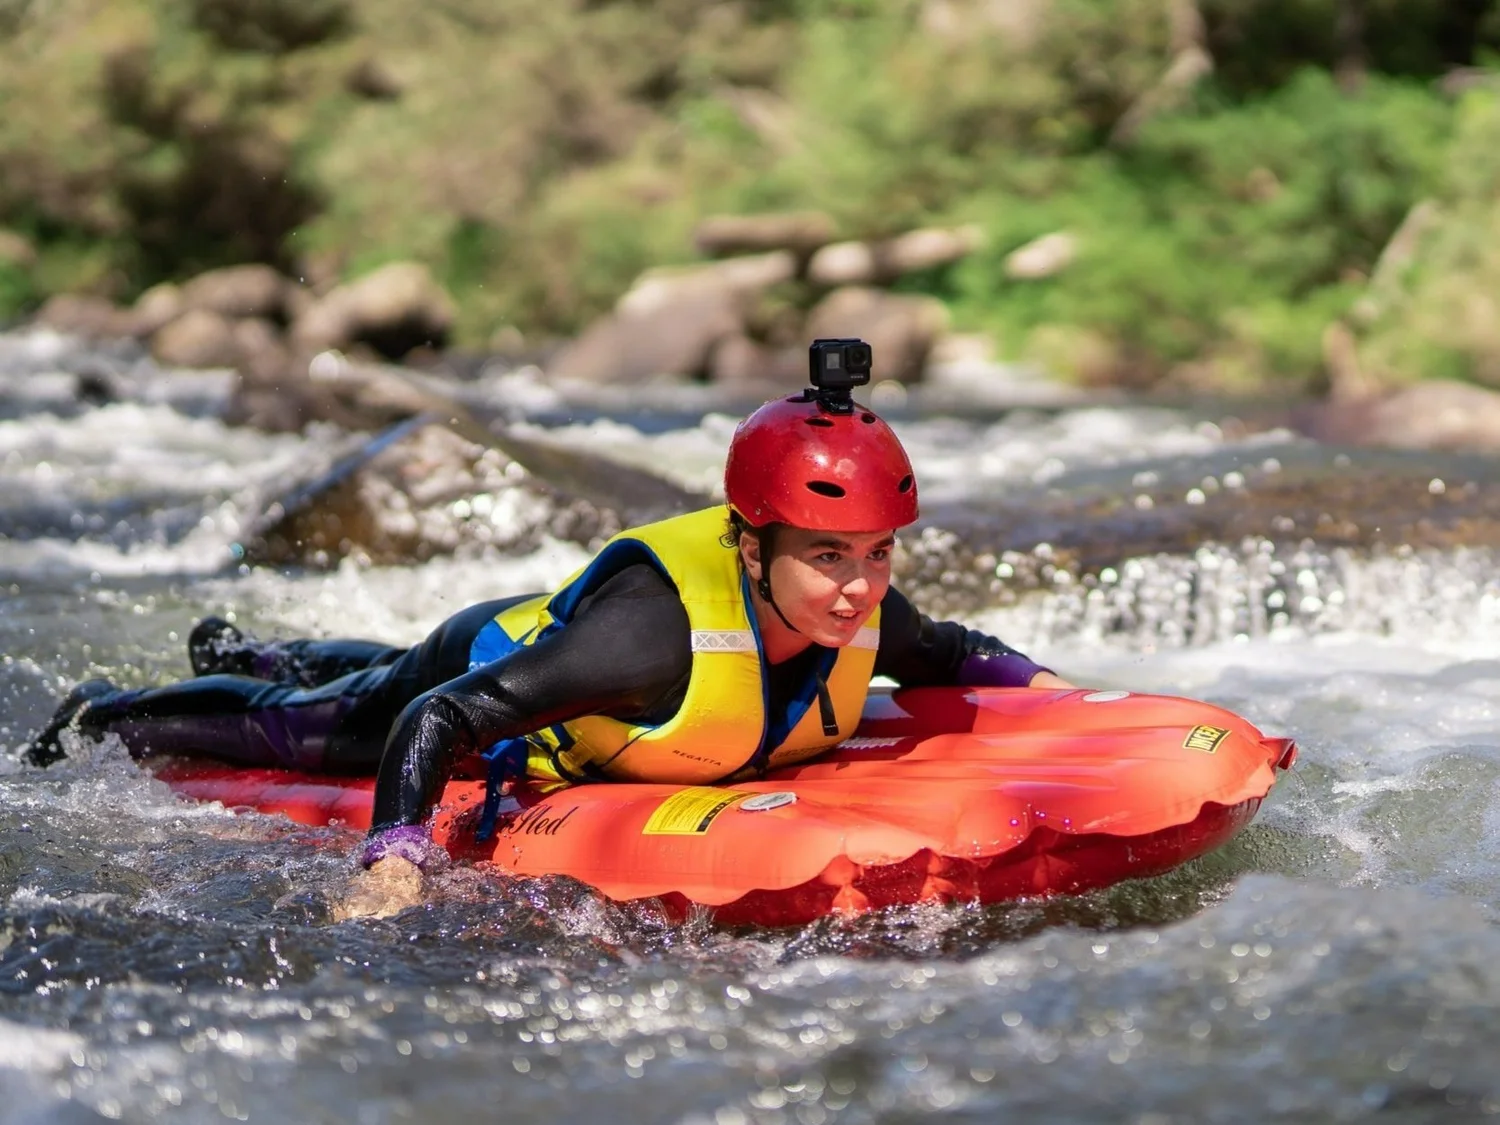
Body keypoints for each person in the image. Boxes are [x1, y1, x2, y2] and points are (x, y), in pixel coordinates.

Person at [24, 339, 1073, 917]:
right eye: (828, 556)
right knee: (313, 726)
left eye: (877, 553)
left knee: (357, 674)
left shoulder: (868, 614)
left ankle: (253, 649)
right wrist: (395, 855)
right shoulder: (651, 642)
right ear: (754, 550)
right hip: (482, 662)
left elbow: (956, 652)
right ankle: (109, 708)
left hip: (543, 651)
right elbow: (440, 716)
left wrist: (1049, 690)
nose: (857, 588)